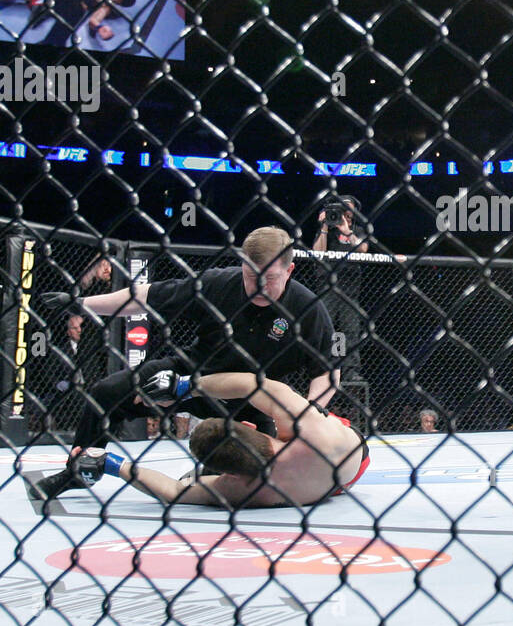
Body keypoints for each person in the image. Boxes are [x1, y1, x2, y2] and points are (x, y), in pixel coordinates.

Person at [29, 226, 337, 500]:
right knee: (107, 393)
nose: (258, 287)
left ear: (290, 270)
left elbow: (326, 371)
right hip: (188, 376)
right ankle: (77, 470)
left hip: (251, 401)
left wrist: (310, 413)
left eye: (269, 278)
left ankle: (206, 475)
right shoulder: (218, 284)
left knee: (251, 483)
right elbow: (145, 297)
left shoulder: (307, 309)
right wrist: (82, 304)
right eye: (250, 276)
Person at [56, 370, 368, 509]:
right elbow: (251, 383)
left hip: (335, 484)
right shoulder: (306, 425)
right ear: (250, 428)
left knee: (190, 481)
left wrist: (112, 464)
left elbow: (174, 492)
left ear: (229, 473)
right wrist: (186, 386)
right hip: (353, 456)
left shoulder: (239, 490)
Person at [312, 197, 368, 383]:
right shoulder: (327, 230)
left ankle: (349, 371)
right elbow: (318, 253)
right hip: (327, 286)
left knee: (349, 331)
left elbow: (363, 250)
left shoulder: (358, 231)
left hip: (350, 288)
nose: (344, 211)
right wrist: (325, 227)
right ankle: (320, 367)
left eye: (348, 208)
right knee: (324, 328)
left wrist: (346, 231)